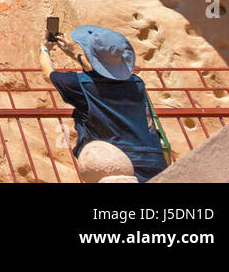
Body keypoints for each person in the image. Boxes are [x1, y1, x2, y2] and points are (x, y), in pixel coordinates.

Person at [39, 24, 168, 182]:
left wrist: (44, 48)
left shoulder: (80, 85)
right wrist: (74, 55)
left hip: (115, 163)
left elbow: (48, 74)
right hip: (152, 159)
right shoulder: (136, 83)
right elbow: (102, 78)